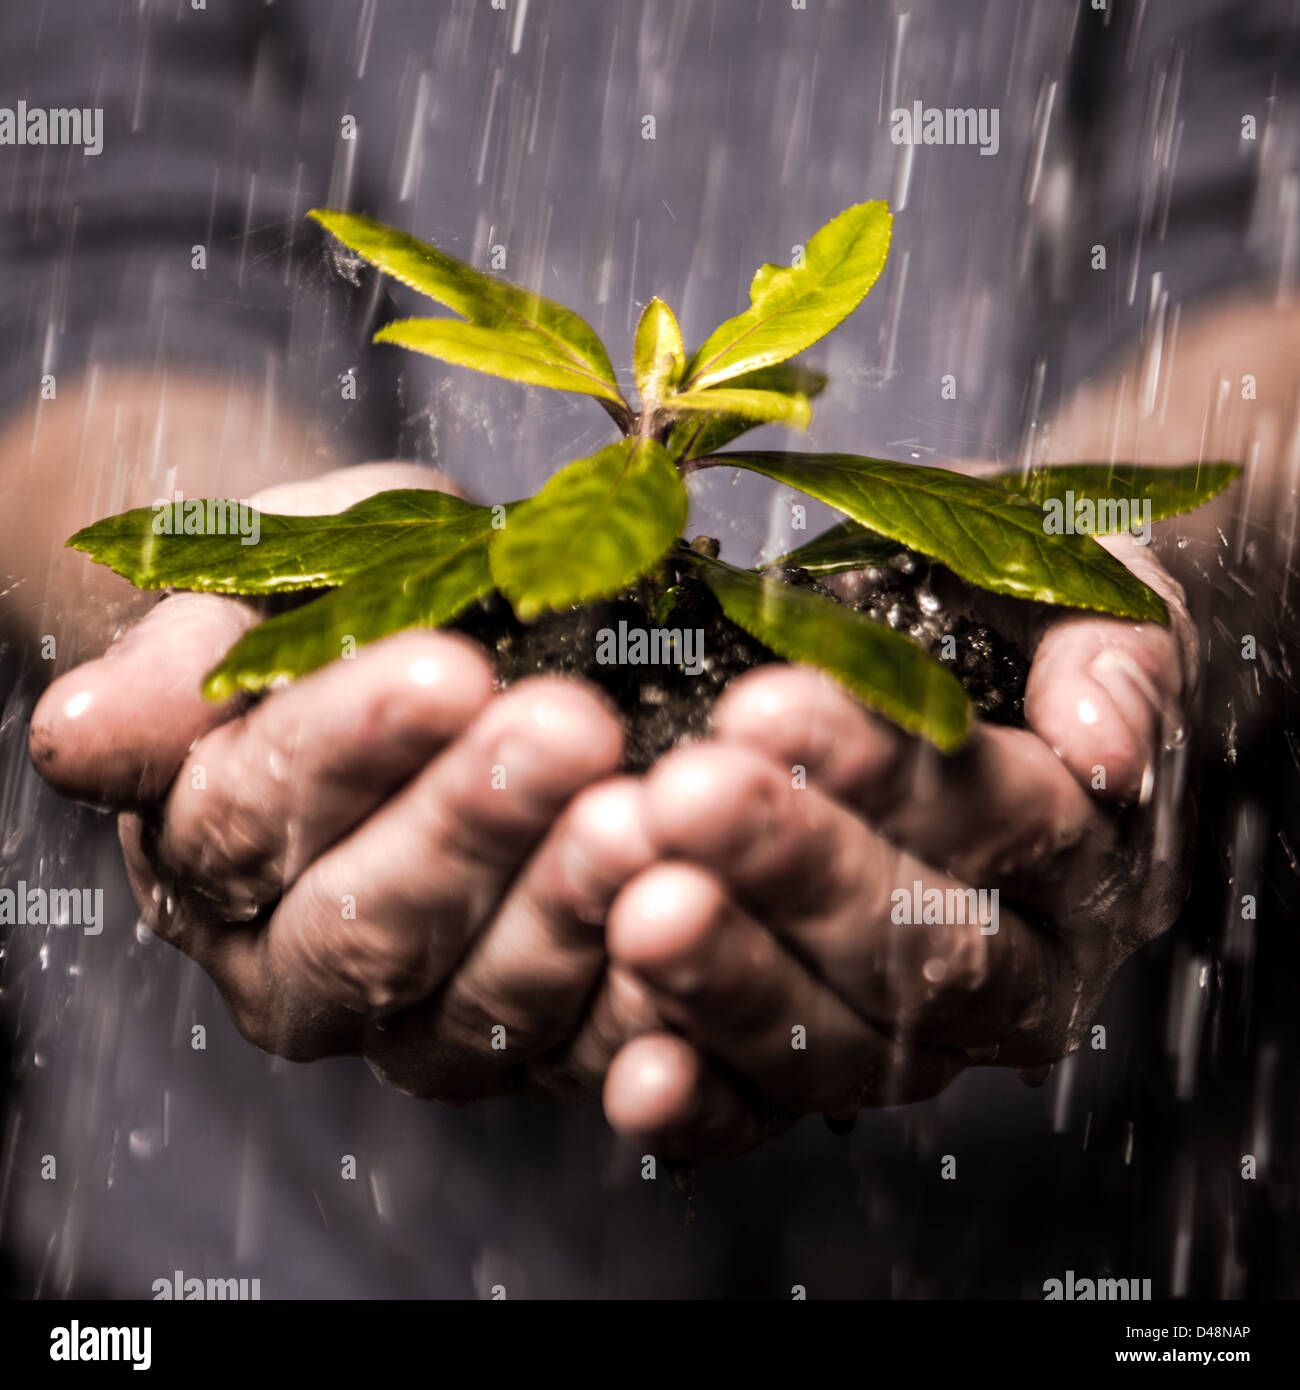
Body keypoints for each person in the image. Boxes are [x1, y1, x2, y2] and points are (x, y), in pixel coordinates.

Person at [2, 0, 1297, 1298]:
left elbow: (1258, 232)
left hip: (1083, 1241)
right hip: (261, 1245)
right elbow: (108, 259)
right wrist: (224, 613)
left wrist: (1168, 582)